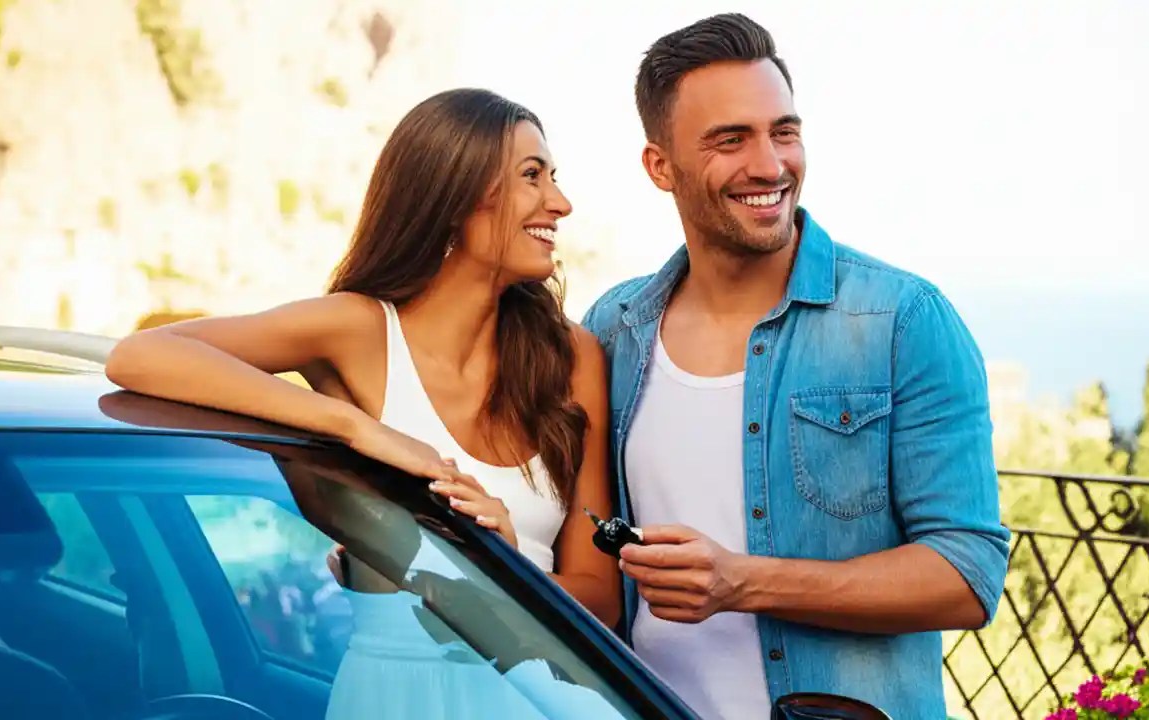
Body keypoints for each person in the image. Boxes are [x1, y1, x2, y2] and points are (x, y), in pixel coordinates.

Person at [105, 87, 621, 714]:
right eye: (532, 176)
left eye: (552, 177)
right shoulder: (358, 330)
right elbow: (140, 356)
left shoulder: (572, 357)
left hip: (540, 698)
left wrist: (504, 572)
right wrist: (354, 428)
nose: (560, 203)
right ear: (456, 193)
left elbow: (600, 601)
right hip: (392, 695)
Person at [579, 13, 1011, 720]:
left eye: (783, 131)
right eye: (730, 140)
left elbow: (968, 573)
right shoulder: (614, 328)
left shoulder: (903, 320)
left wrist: (742, 583)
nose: (770, 165)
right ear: (659, 166)